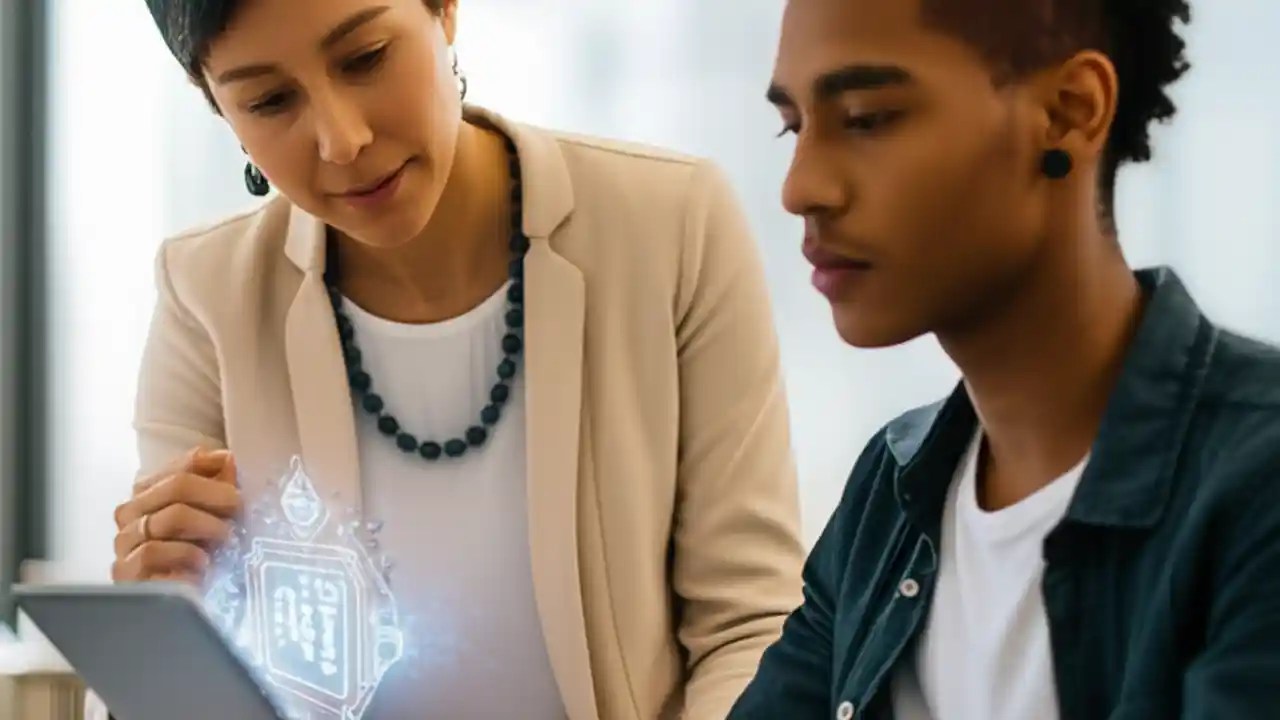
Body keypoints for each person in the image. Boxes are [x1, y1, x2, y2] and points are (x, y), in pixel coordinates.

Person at [99, 0, 806, 717]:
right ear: (216, 106)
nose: (343, 141)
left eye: (365, 58)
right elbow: (183, 686)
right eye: (271, 101)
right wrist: (162, 620)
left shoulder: (669, 226)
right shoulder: (206, 295)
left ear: (444, 10)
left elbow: (751, 626)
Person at [731, 0, 1280, 718]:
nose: (801, 187)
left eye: (866, 118)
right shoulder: (892, 488)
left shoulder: (1255, 483)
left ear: (1069, 111)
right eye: (794, 127)